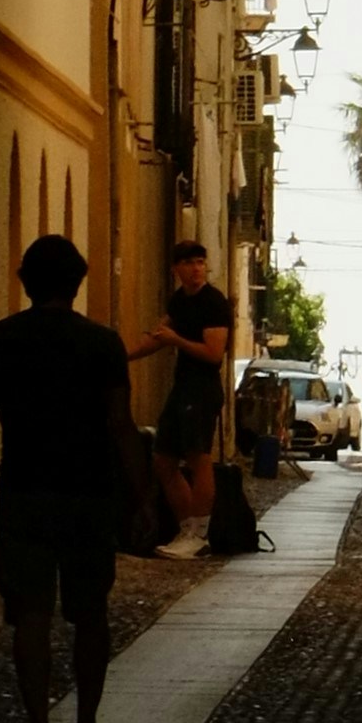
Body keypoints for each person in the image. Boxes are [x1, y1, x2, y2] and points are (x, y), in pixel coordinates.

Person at [0, 233, 161, 723]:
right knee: (90, 615)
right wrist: (141, 498)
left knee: (31, 618)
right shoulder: (103, 344)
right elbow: (120, 426)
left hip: (23, 493)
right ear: (77, 283)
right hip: (89, 496)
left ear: (24, 282)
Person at [148, 234, 235, 546]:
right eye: (189, 263)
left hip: (202, 388)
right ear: (176, 269)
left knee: (198, 458)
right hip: (182, 386)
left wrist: (177, 341)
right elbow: (159, 335)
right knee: (163, 459)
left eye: (200, 262)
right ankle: (187, 528)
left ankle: (199, 534)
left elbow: (213, 353)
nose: (197, 268)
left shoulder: (213, 303)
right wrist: (120, 354)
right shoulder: (179, 301)